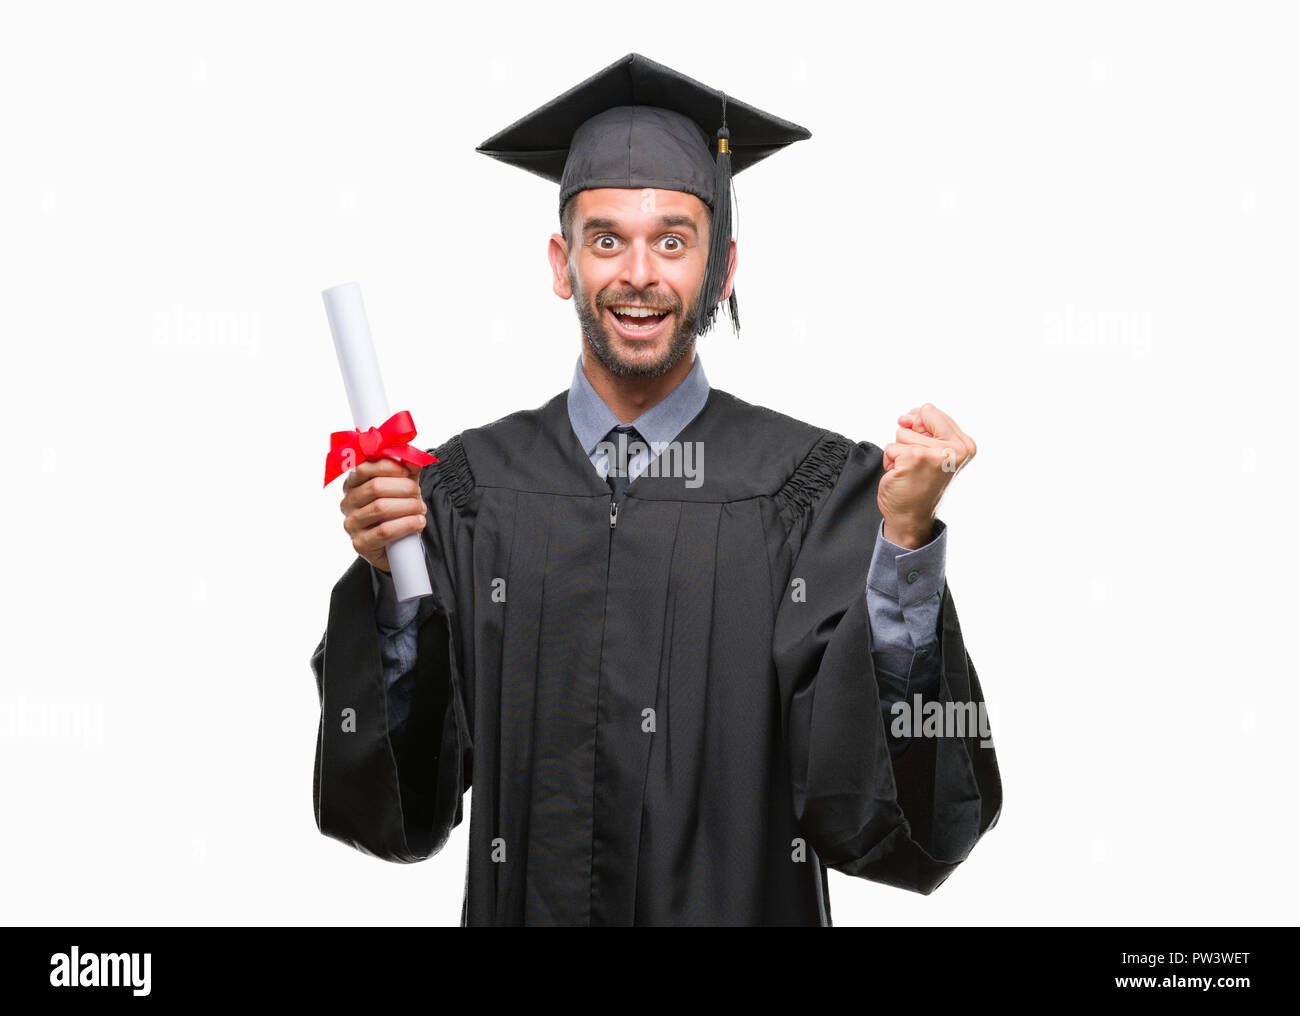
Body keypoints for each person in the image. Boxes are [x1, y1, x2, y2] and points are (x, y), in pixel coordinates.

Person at [310, 52, 1001, 926]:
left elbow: (885, 822)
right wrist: (391, 588)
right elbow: (396, 808)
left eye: (673, 240)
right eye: (607, 240)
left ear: (722, 267)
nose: (639, 274)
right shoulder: (466, 491)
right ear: (563, 264)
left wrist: (902, 550)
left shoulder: (815, 493)